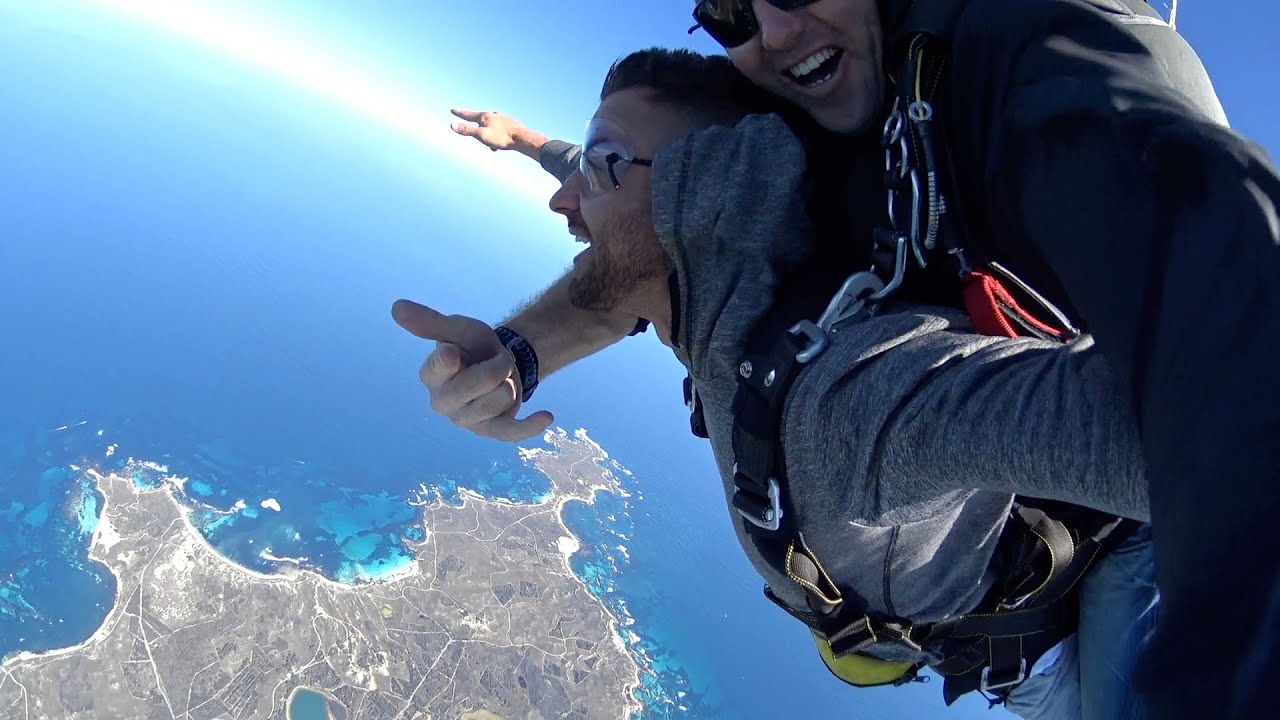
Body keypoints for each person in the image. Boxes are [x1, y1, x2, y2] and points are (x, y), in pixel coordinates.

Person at [429, 2, 1280, 715]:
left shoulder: (862, 403)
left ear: (703, 199)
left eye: (605, 168)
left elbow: (1226, 442)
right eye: (727, 9)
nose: (564, 197)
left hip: (1084, 607)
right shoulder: (715, 288)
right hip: (980, 617)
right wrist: (520, 318)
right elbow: (611, 213)